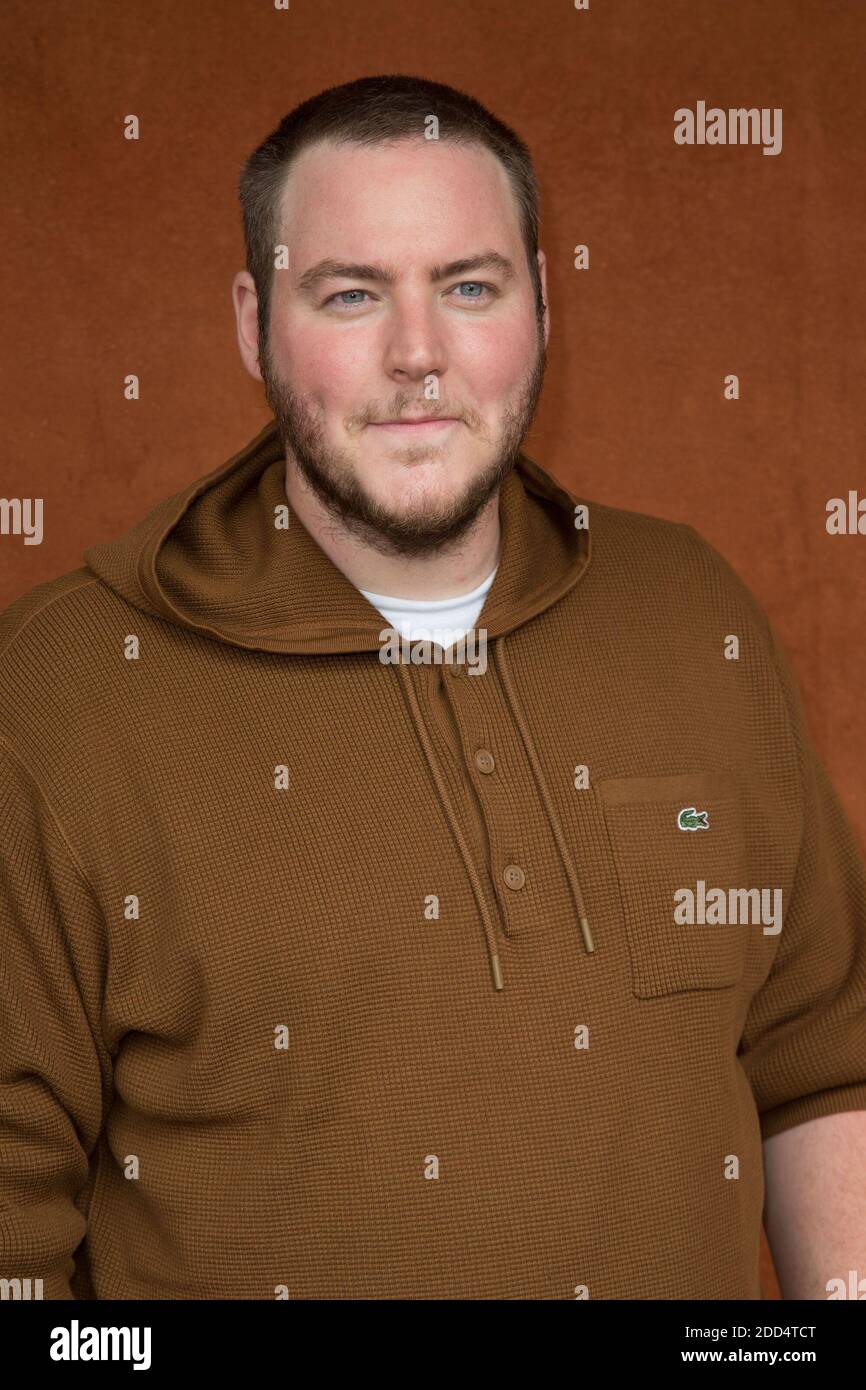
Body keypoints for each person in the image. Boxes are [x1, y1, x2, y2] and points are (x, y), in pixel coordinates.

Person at [1, 73, 864, 1302]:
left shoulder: (691, 613)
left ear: (542, 303)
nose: (418, 355)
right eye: (349, 294)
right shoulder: (57, 692)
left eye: (468, 286)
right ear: (252, 323)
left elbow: (821, 1056)